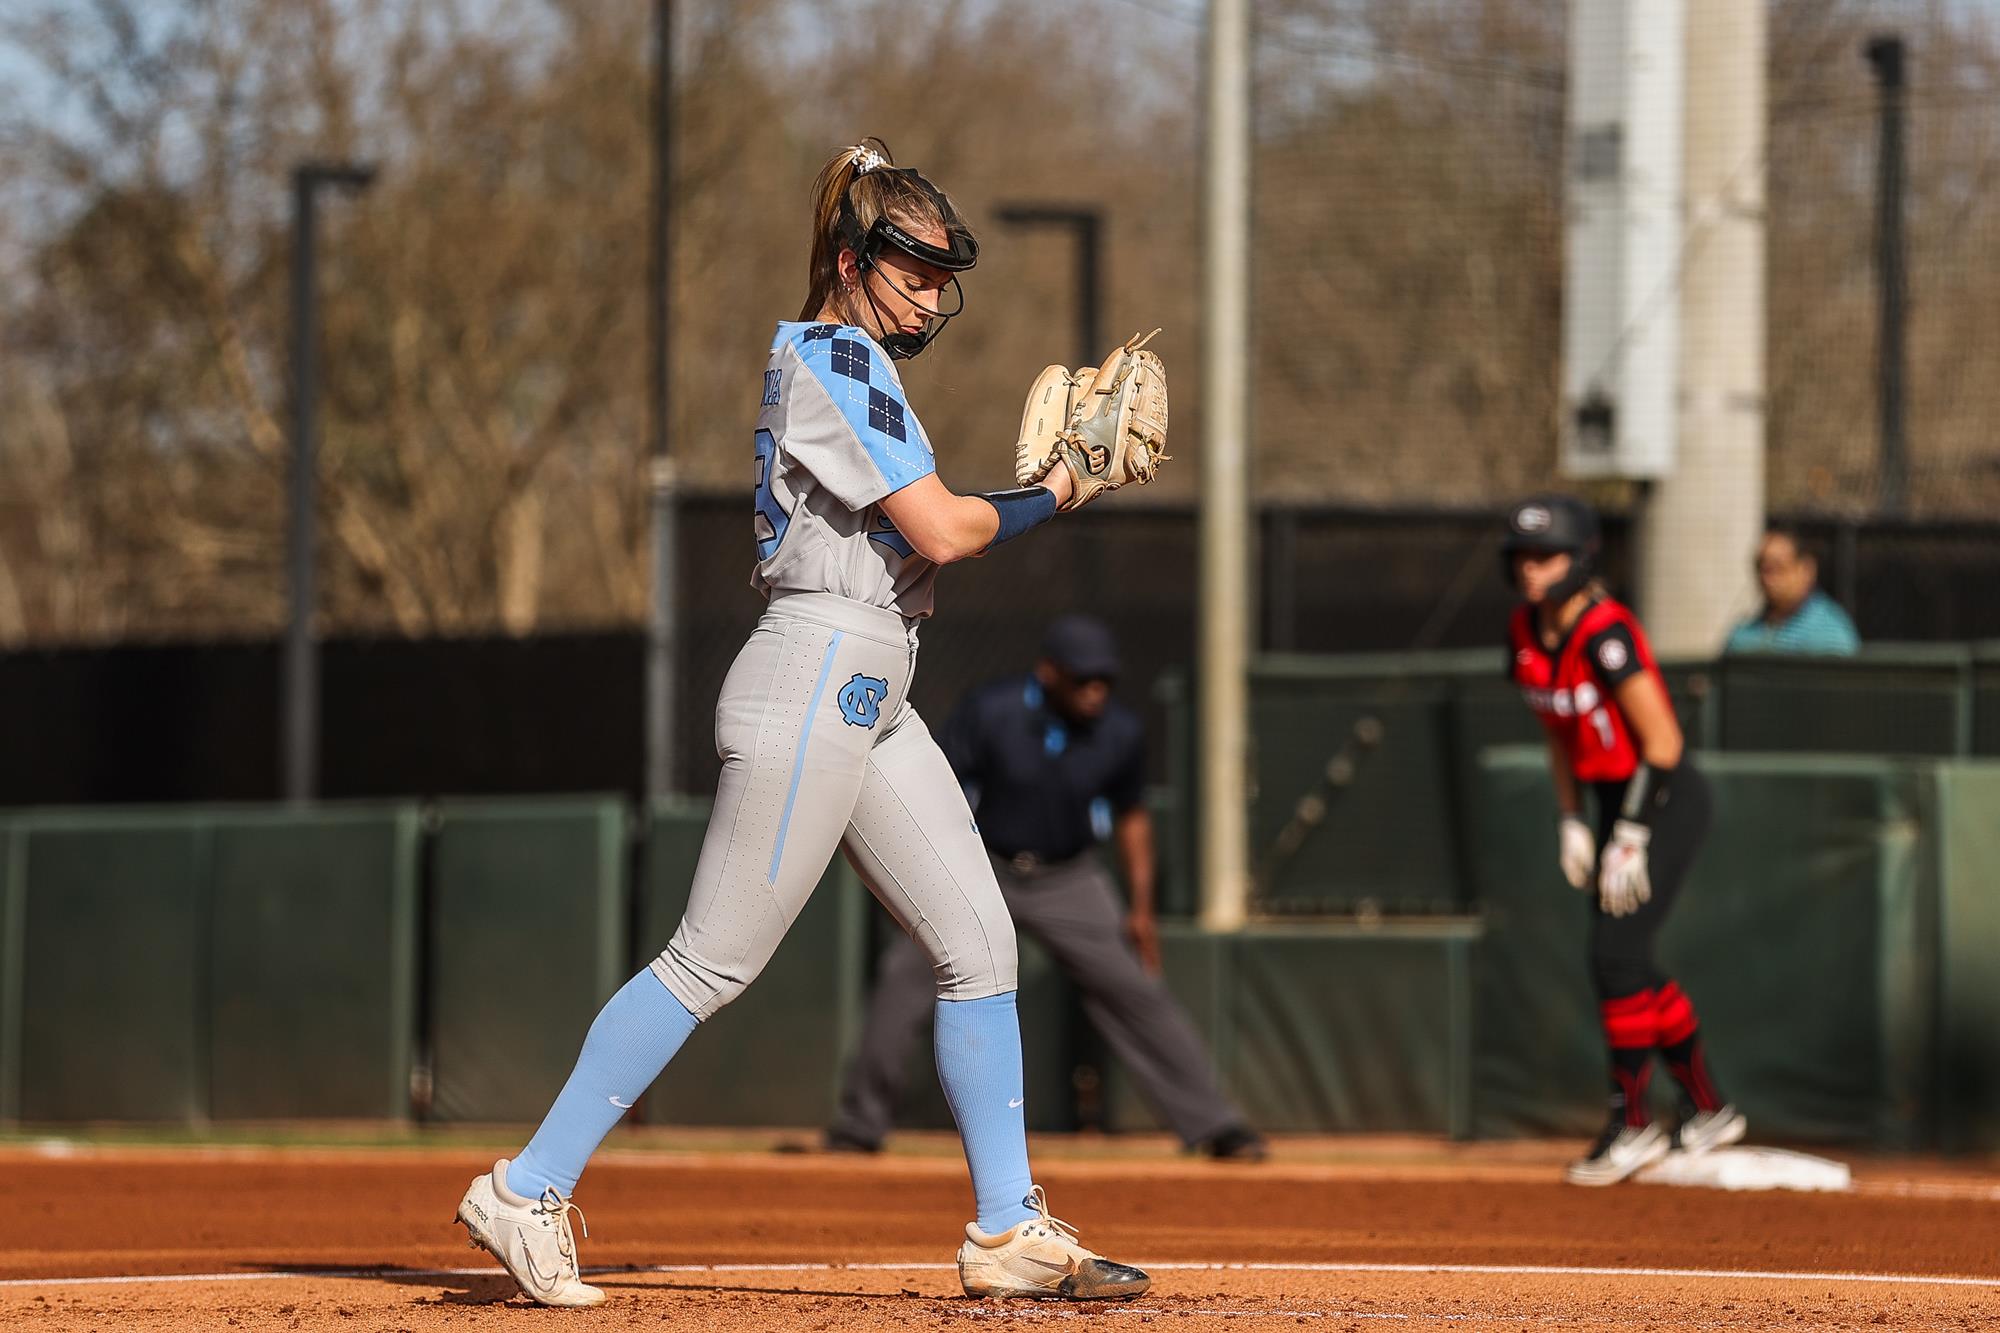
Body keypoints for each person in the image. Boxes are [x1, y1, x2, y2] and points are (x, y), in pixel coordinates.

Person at [454, 140, 1151, 1306]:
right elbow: (942, 533)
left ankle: (1004, 1227)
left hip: (870, 682)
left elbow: (921, 535)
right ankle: (525, 1188)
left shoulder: (858, 364)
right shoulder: (828, 355)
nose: (932, 294)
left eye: (941, 275)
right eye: (912, 269)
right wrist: (1062, 488)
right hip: (815, 667)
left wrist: (1040, 491)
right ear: (847, 259)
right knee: (708, 960)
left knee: (980, 944)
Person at [824, 614, 1265, 1162]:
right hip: (983, 862)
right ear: (1049, 672)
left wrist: (1142, 909)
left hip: (1070, 877)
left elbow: (1132, 818)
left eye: (1104, 679)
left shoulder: (1120, 731)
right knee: (905, 980)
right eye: (1082, 679)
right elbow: (939, 786)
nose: (1095, 691)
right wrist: (925, 872)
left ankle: (1217, 1126)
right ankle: (857, 1127)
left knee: (1137, 992)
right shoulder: (994, 710)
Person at [1500, 495, 1747, 1187]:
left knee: (1616, 955)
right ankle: (1707, 1106)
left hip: (1660, 798)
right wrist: (1571, 818)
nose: (1530, 570)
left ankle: (1634, 1121)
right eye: (1522, 557)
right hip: (1607, 802)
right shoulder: (1524, 629)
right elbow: (1557, 730)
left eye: (1545, 556)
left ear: (1578, 559)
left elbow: (1664, 742)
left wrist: (1632, 831)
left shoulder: (1607, 632)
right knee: (1624, 960)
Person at [1724, 527, 1860, 655]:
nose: (1767, 578)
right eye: (1761, 568)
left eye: (1777, 567)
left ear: (1807, 569)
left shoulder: (1828, 634)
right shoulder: (1744, 633)